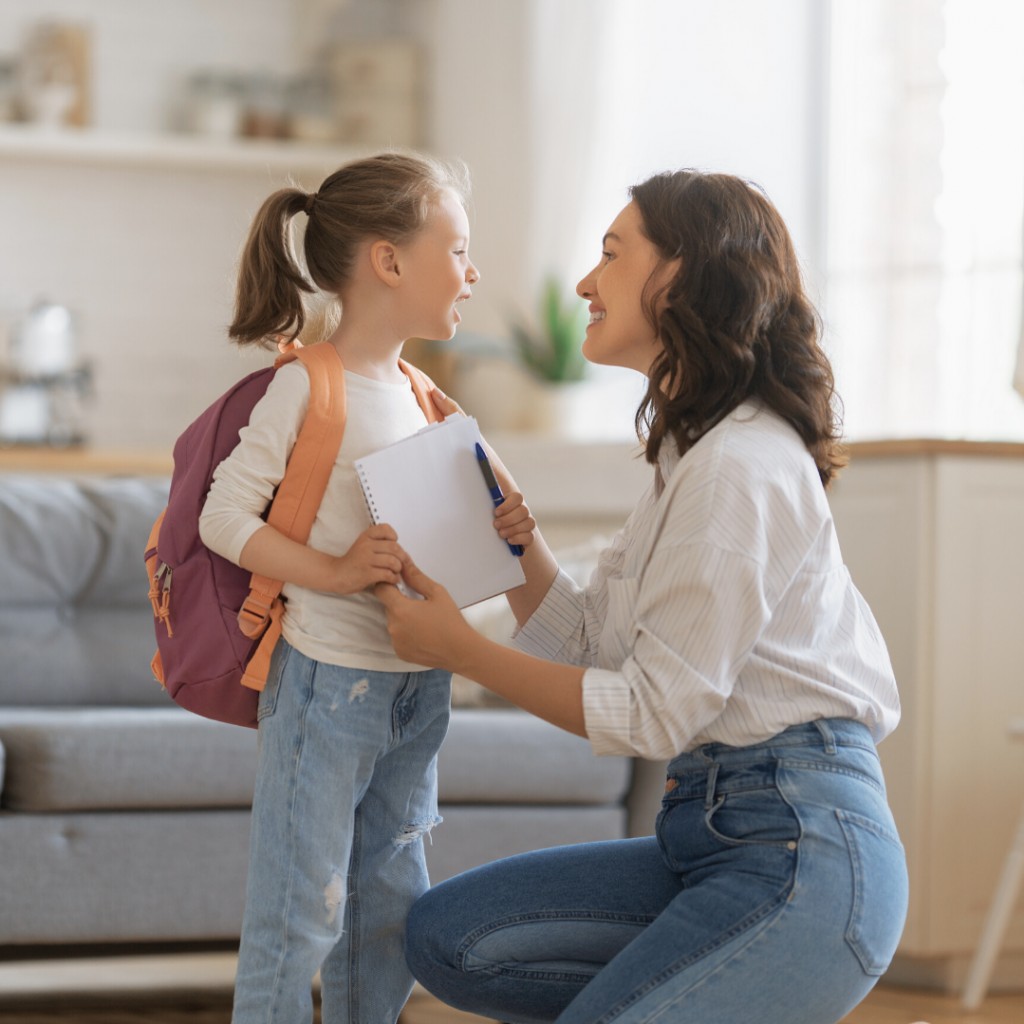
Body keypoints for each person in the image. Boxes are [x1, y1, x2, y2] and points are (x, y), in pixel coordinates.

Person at [377, 168, 910, 1024]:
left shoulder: (738, 469)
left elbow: (652, 715)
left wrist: (462, 652)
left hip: (801, 846)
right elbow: (592, 644)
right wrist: (516, 548)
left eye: (612, 255)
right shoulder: (689, 460)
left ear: (684, 275)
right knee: (449, 936)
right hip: (709, 834)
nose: (587, 282)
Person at [198, 152, 531, 1024]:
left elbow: (467, 578)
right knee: (299, 911)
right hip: (326, 690)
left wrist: (507, 539)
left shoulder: (430, 403)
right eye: (456, 249)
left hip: (418, 694)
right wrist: (339, 573)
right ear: (388, 261)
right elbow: (223, 518)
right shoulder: (308, 385)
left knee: (388, 917)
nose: (473, 271)